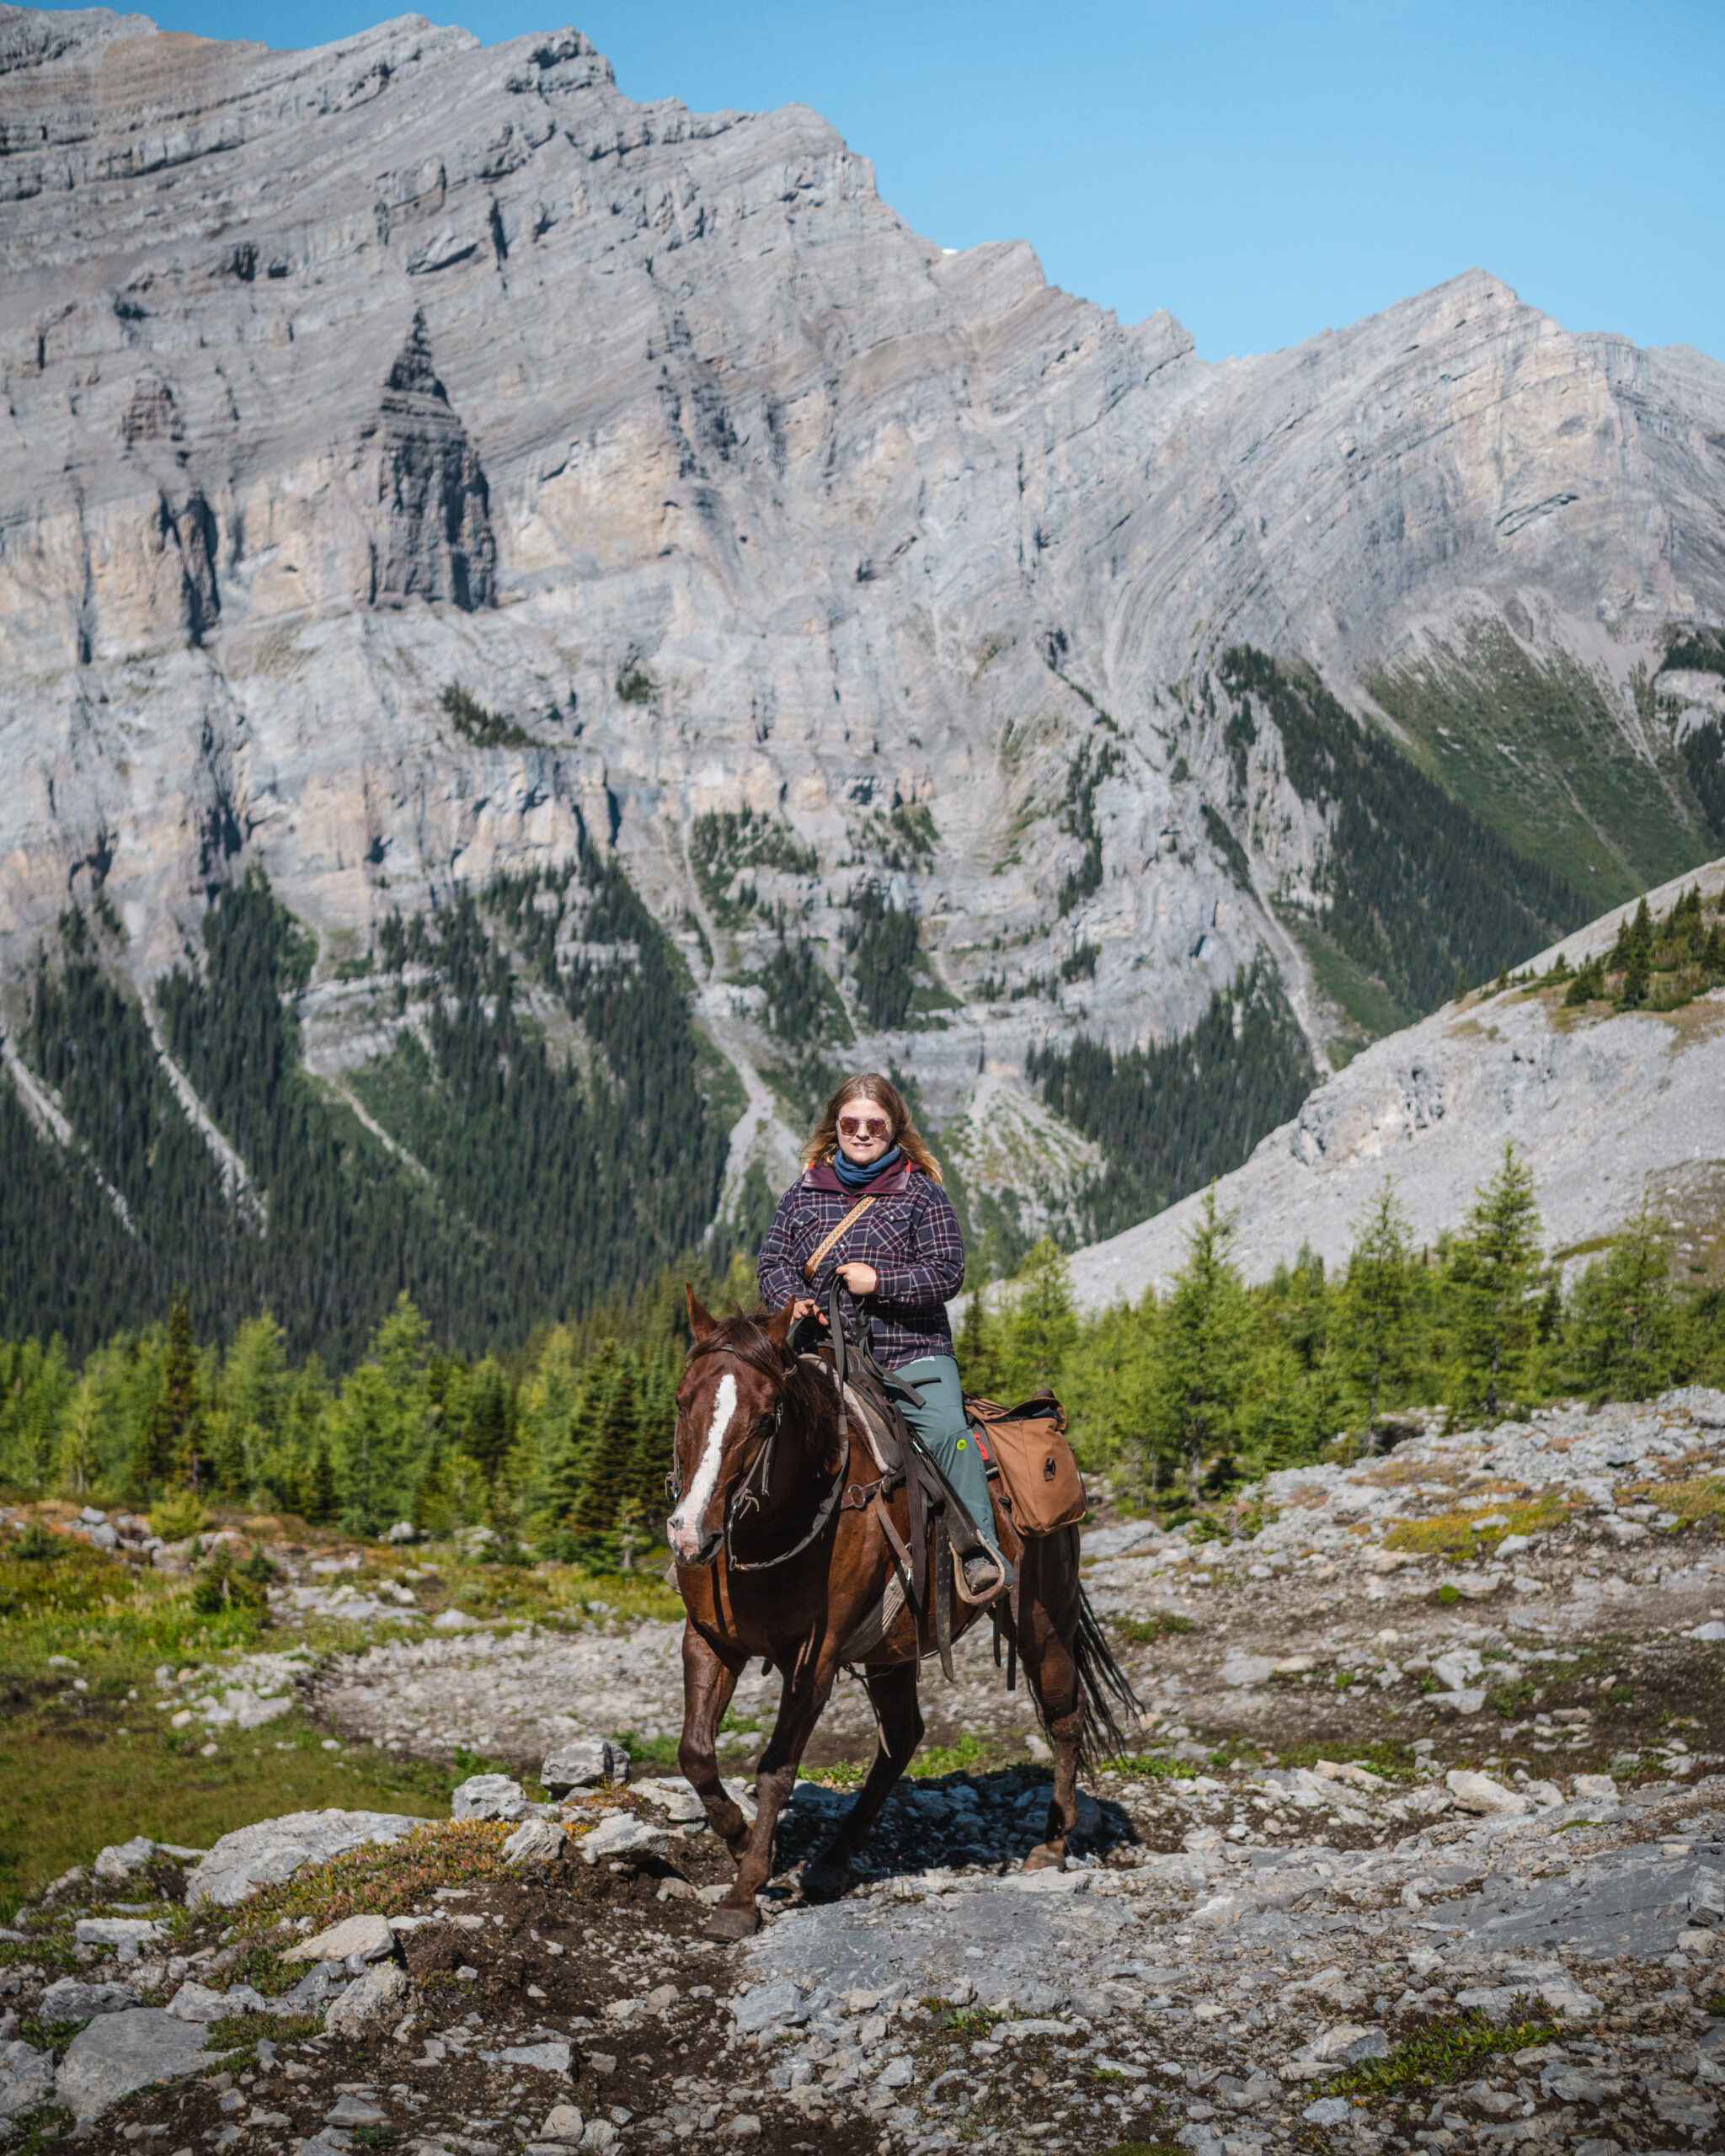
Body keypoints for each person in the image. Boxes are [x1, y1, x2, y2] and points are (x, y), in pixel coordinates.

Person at [757, 1071, 1010, 1596]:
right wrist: (793, 1299)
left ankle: (978, 1551)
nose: (863, 1132)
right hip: (821, 1354)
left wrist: (881, 1282)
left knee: (945, 1434)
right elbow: (773, 1261)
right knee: (755, 1424)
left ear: (894, 1129)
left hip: (912, 1355)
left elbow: (948, 1272)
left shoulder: (922, 1194)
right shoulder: (803, 1193)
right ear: (835, 1127)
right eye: (851, 1122)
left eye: (876, 1123)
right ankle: (732, 1544)